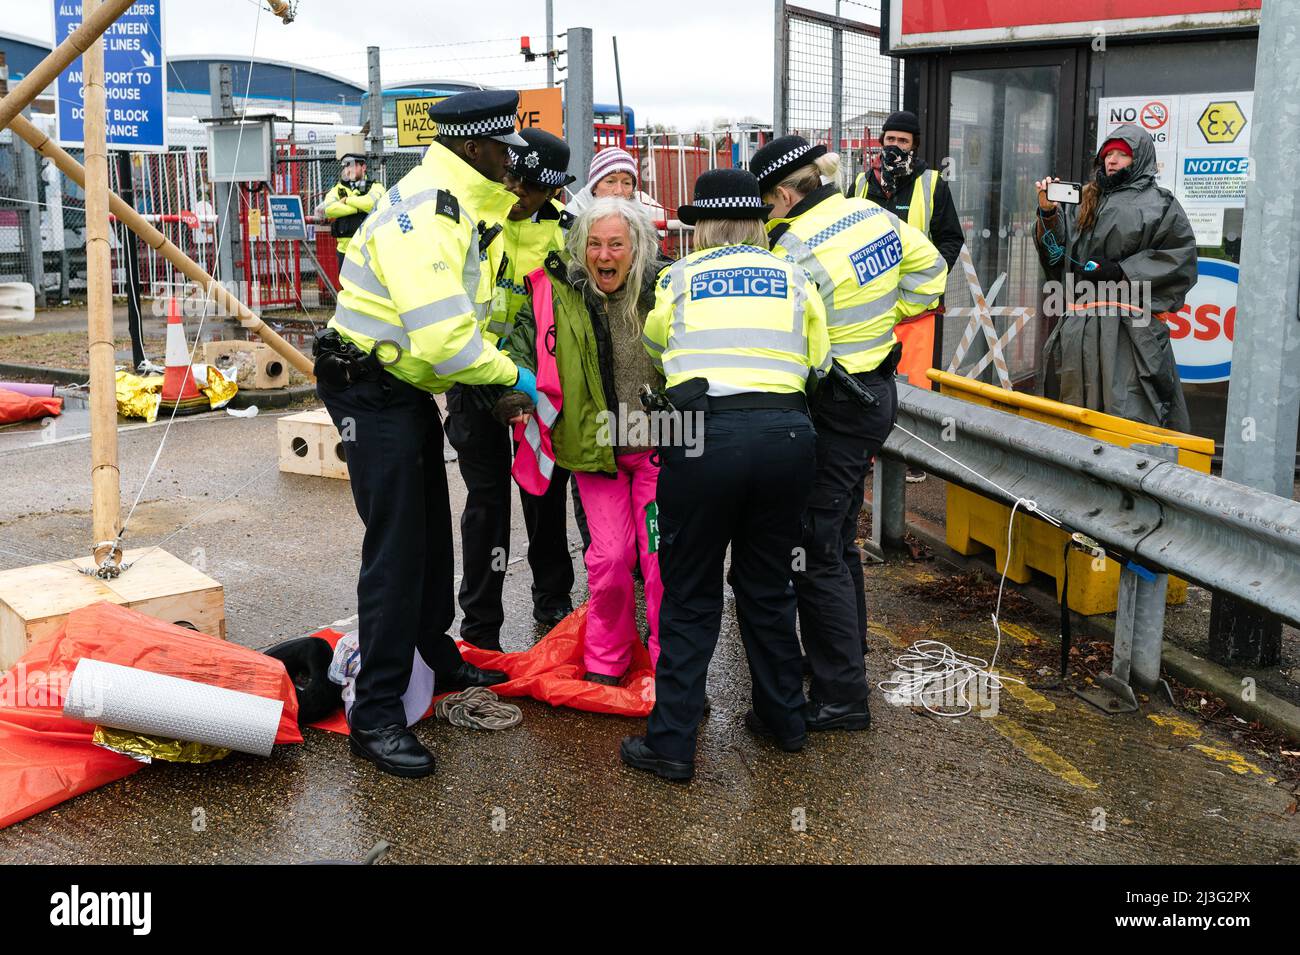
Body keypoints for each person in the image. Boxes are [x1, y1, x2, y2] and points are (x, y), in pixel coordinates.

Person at [312, 90, 535, 779]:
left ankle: (435, 656)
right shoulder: (432, 211)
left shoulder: (453, 199)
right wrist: (511, 376)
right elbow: (444, 334)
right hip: (371, 388)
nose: (511, 165)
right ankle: (375, 713)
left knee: (431, 537)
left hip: (396, 387)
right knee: (397, 551)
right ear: (475, 148)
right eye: (505, 152)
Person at [619, 169, 831, 781]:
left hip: (701, 439)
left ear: (703, 226)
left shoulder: (680, 276)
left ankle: (673, 746)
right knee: (768, 589)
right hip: (787, 437)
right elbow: (816, 358)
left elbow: (659, 348)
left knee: (689, 596)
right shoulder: (794, 275)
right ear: (759, 223)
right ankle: (784, 721)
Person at [752, 135, 947, 733]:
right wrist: (888, 316)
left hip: (834, 405)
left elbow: (783, 337)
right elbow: (933, 274)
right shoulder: (871, 213)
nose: (763, 214)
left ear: (786, 193)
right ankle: (844, 659)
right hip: (875, 393)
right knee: (835, 537)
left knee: (814, 544)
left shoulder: (794, 247)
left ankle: (841, 695)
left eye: (765, 202)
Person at [497, 197, 664, 686]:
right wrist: (513, 396)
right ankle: (606, 662)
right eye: (594, 243)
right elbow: (520, 346)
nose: (604, 254)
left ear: (638, 248)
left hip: (660, 447)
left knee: (661, 561)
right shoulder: (558, 291)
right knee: (610, 560)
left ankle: (670, 668)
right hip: (596, 450)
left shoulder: (665, 288)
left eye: (616, 244)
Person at [444, 128, 577, 650]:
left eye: (535, 188)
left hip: (541, 384)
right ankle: (480, 627)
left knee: (544, 493)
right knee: (486, 501)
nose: (521, 193)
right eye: (516, 181)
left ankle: (553, 602)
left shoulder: (568, 231)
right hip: (476, 376)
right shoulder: (476, 221)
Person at [1034, 124, 1196, 431]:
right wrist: (1048, 214)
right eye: (1108, 154)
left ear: (1140, 158)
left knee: (1130, 416)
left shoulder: (1160, 204)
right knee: (1075, 417)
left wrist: (1123, 270)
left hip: (1130, 334)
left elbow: (1180, 257)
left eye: (1122, 154)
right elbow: (1056, 258)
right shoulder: (1084, 201)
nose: (1113, 160)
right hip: (1080, 329)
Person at [851, 111, 964, 482]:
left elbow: (951, 237)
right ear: (880, 142)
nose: (895, 146)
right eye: (890, 139)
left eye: (903, 141)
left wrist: (932, 274)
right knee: (867, 379)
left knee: (916, 383)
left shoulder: (933, 184)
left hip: (917, 309)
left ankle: (913, 458)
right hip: (871, 307)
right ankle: (870, 453)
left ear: (914, 145)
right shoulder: (860, 184)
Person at [565, 146, 667, 223]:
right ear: (594, 187)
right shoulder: (571, 221)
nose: (618, 191)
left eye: (626, 183)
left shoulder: (642, 222)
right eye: (610, 182)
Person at [317, 153, 384, 269]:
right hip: (344, 251)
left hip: (368, 250)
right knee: (345, 286)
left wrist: (347, 200)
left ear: (363, 167)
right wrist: (359, 208)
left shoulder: (375, 186)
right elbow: (328, 209)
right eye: (346, 166)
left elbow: (371, 203)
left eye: (352, 166)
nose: (348, 170)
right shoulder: (338, 188)